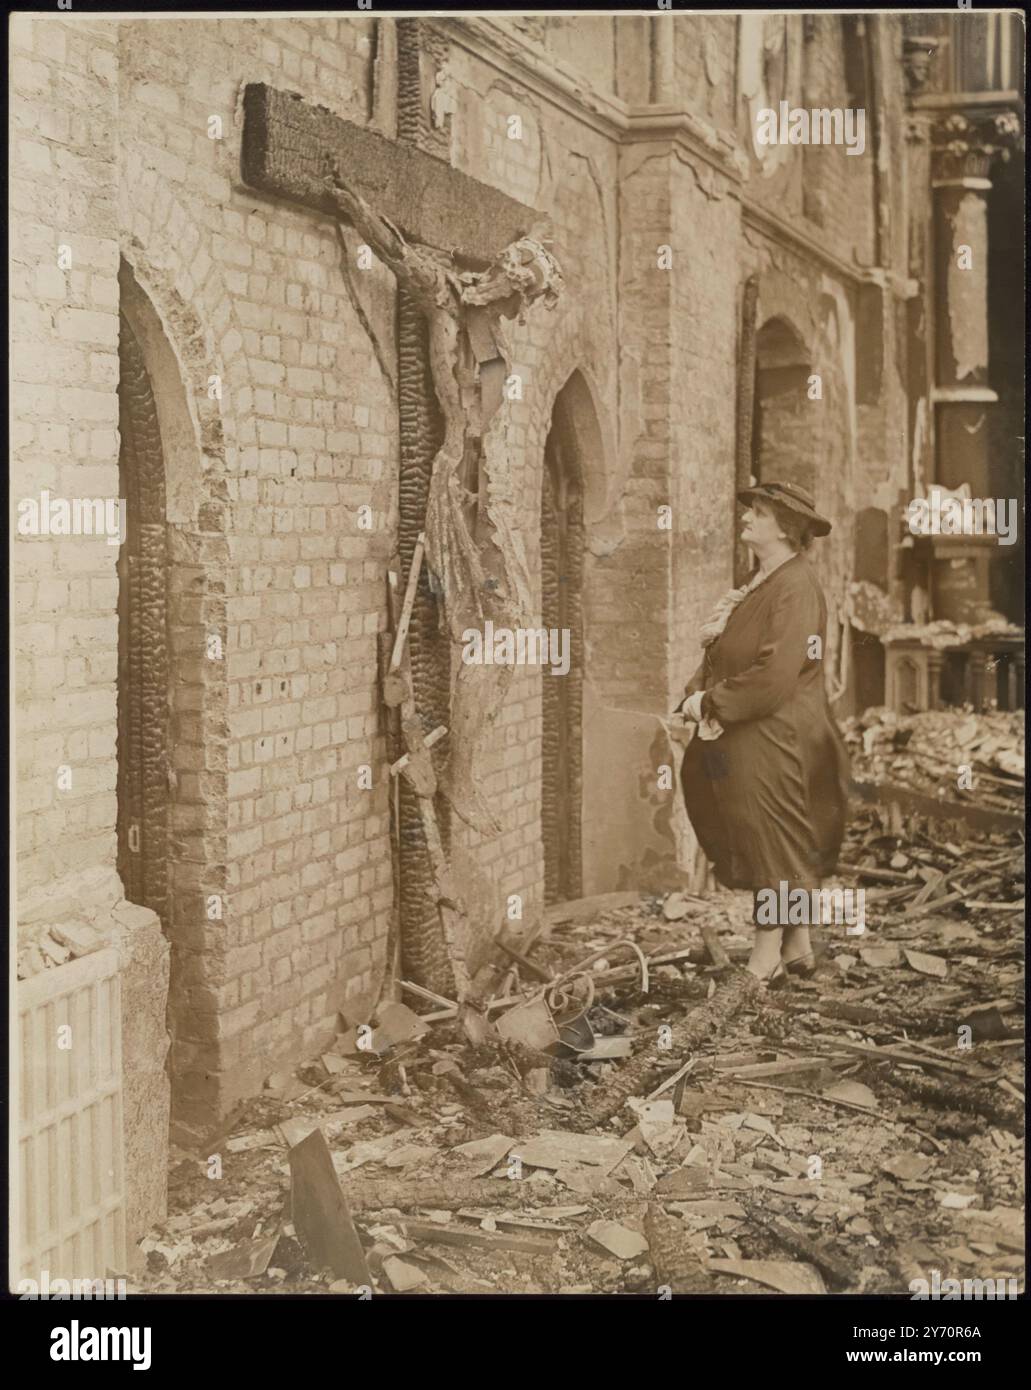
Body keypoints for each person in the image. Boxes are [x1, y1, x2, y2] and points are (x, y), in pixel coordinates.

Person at [676, 480, 850, 982]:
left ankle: (763, 958)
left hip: (774, 734)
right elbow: (731, 653)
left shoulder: (794, 587)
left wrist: (709, 702)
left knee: (770, 845)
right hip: (754, 732)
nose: (746, 518)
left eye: (758, 512)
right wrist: (695, 693)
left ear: (786, 529)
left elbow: (773, 677)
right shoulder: (765, 581)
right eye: (749, 510)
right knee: (772, 840)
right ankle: (797, 948)